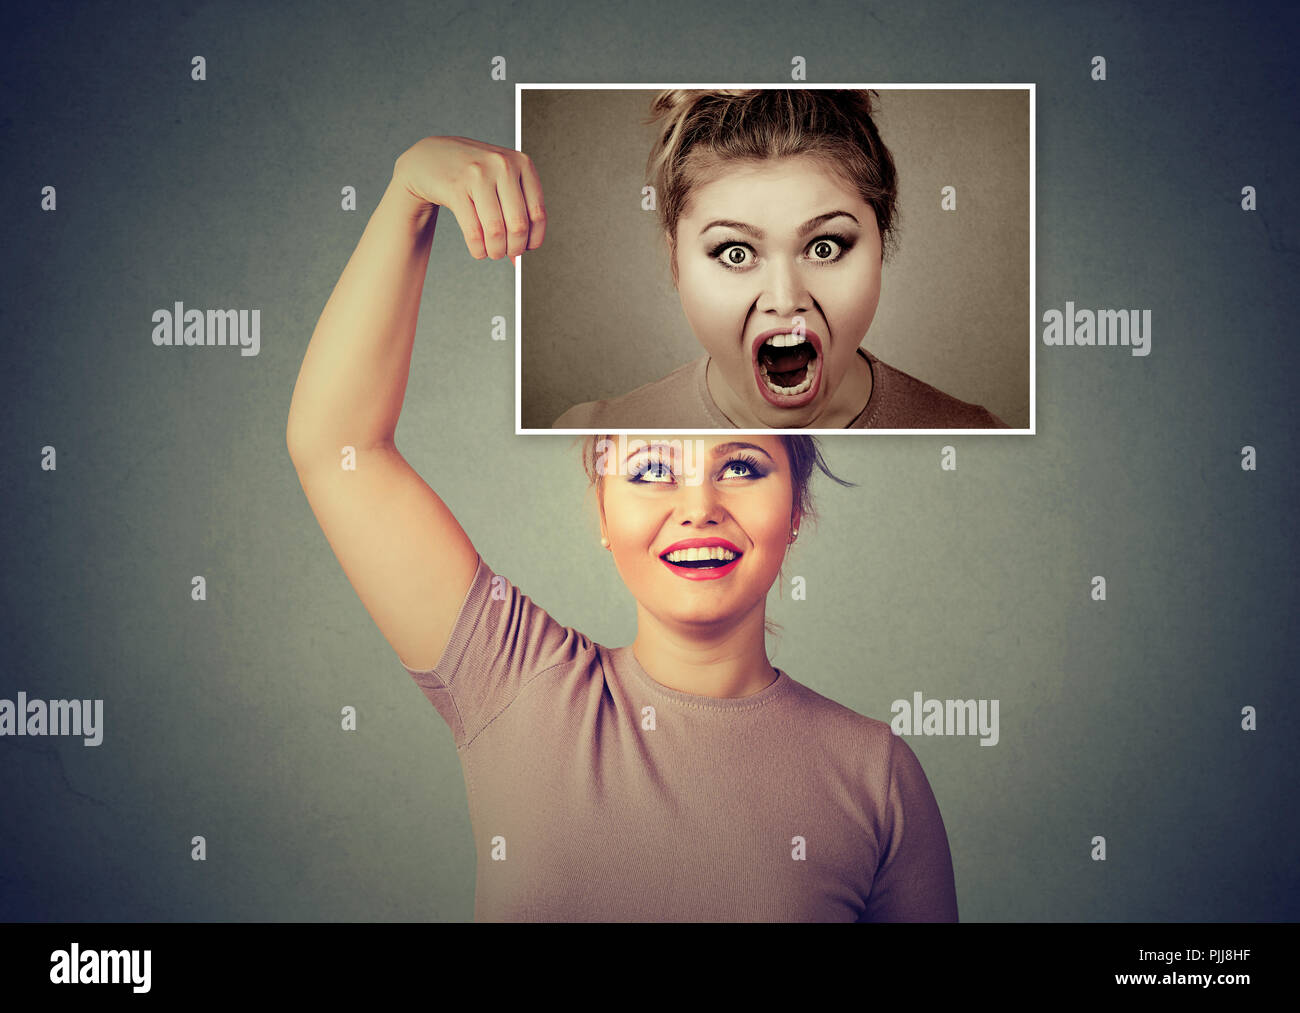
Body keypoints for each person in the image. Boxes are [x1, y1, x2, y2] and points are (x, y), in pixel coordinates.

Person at [287, 136, 959, 921]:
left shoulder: (877, 776)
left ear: (797, 509)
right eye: (649, 472)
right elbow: (337, 446)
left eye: (741, 467)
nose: (698, 505)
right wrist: (408, 191)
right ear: (602, 511)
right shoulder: (515, 684)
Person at [551, 89, 1008, 430]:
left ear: (880, 244)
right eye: (735, 252)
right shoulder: (590, 435)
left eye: (824, 248)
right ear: (676, 261)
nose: (785, 300)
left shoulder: (977, 436)